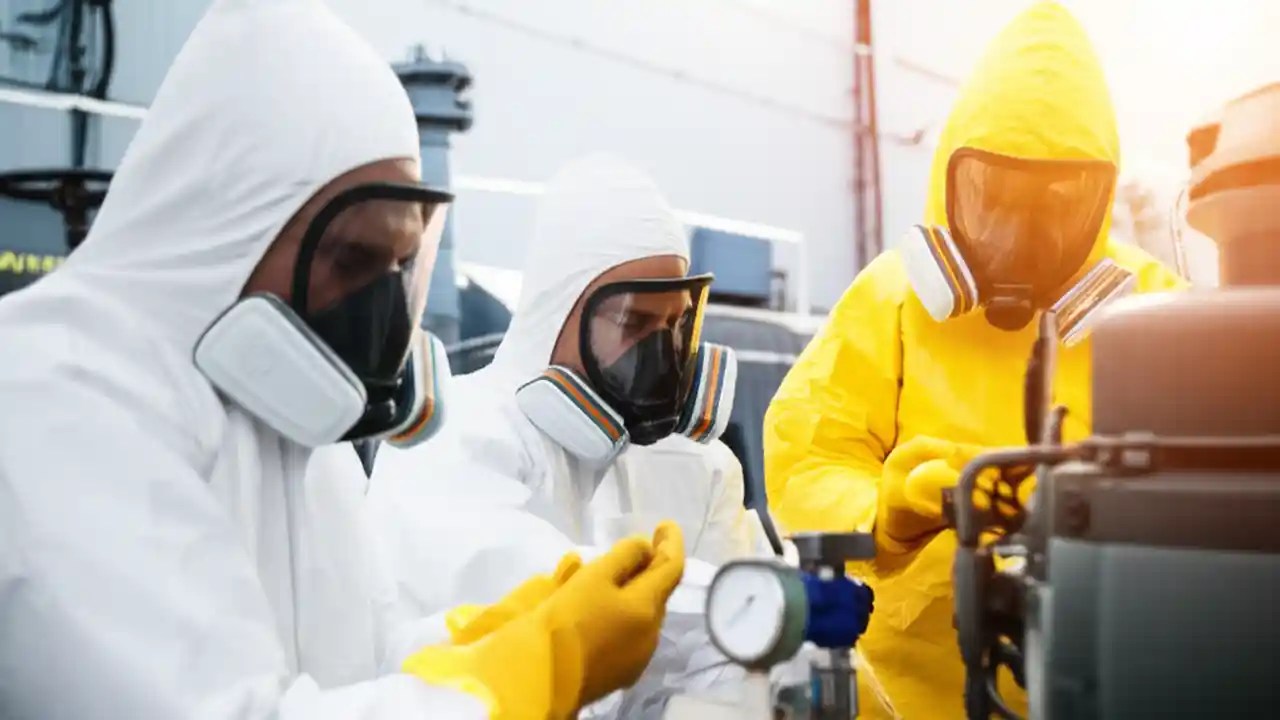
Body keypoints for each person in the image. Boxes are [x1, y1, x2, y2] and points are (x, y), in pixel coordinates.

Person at [0, 1, 683, 718]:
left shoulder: (298, 432)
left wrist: (499, 632)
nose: (381, 309)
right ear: (232, 220)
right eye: (356, 258)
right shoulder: (57, 392)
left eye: (398, 267)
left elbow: (360, 662)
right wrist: (543, 664)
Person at [762, 3, 1186, 718]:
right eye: (997, 198)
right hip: (905, 693)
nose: (1023, 235)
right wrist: (882, 510)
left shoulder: (1156, 313)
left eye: (1056, 203)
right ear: (953, 180)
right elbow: (806, 458)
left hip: (1107, 679)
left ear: (1099, 195)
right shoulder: (893, 300)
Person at [366, 154, 761, 716]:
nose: (662, 355)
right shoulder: (453, 436)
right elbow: (539, 609)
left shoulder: (696, 467)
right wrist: (746, 606)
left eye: (674, 324)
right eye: (635, 323)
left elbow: (743, 665)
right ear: (558, 310)